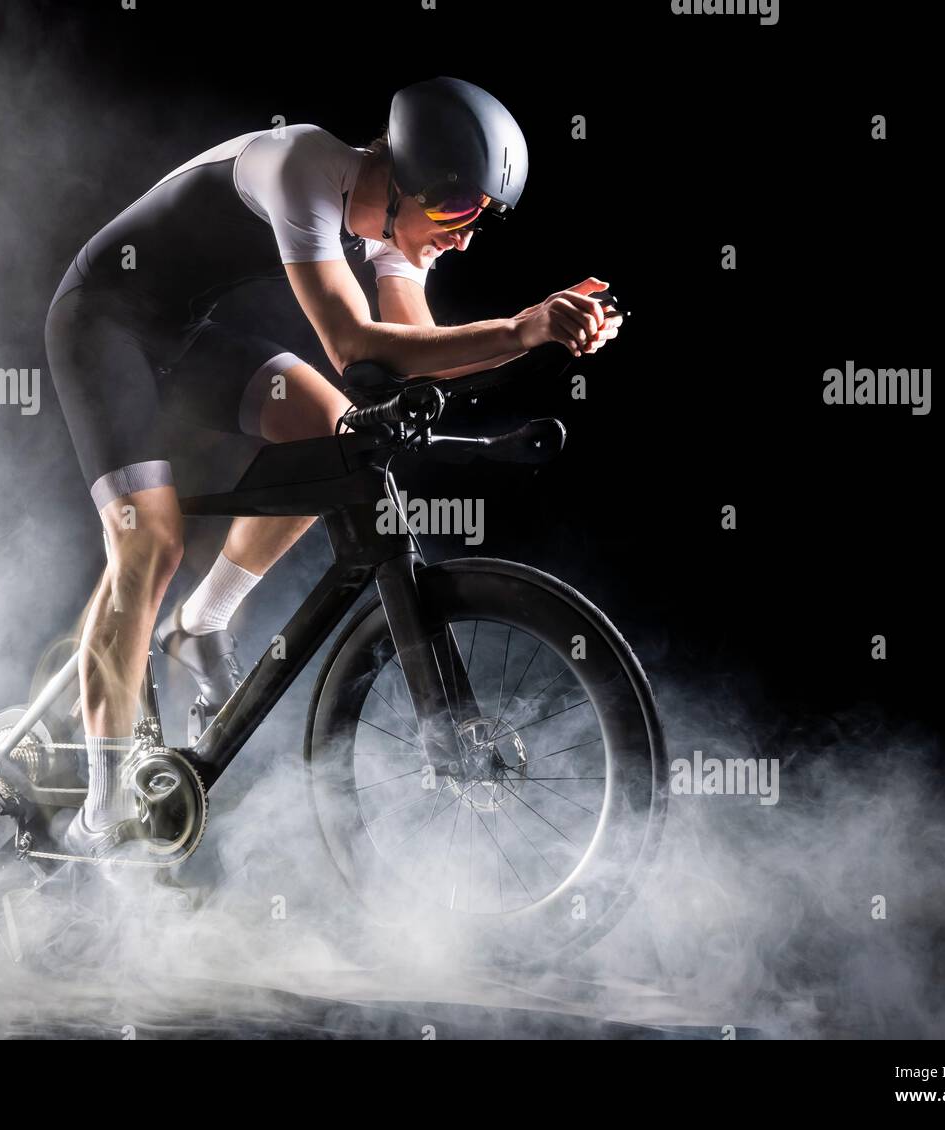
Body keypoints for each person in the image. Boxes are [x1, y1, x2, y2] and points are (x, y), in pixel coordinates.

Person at [42, 76, 622, 860]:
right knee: (151, 545)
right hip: (101, 323)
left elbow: (416, 357)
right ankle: (101, 816)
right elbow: (355, 344)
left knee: (333, 438)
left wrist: (540, 335)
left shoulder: (392, 230)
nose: (463, 237)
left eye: (480, 219)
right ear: (403, 180)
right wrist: (522, 329)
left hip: (182, 335)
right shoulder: (303, 169)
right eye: (455, 212)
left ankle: (200, 625)